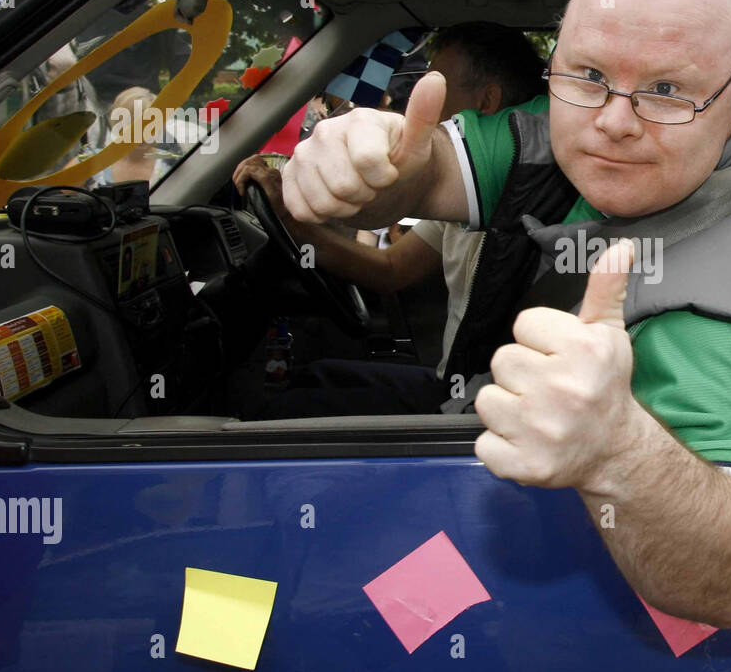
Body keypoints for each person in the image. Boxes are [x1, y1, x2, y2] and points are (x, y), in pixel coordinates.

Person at [279, 0, 731, 628]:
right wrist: (362, 162)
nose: (614, 122)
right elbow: (425, 170)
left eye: (666, 89)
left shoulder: (719, 316)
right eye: (589, 75)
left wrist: (616, 448)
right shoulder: (572, 124)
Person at [232, 22, 546, 415]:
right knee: (318, 376)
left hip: (480, 405)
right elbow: (392, 267)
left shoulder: (523, 184)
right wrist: (288, 219)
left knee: (278, 411)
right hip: (451, 382)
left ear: (486, 101)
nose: (415, 102)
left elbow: (407, 195)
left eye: (436, 87)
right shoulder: (465, 196)